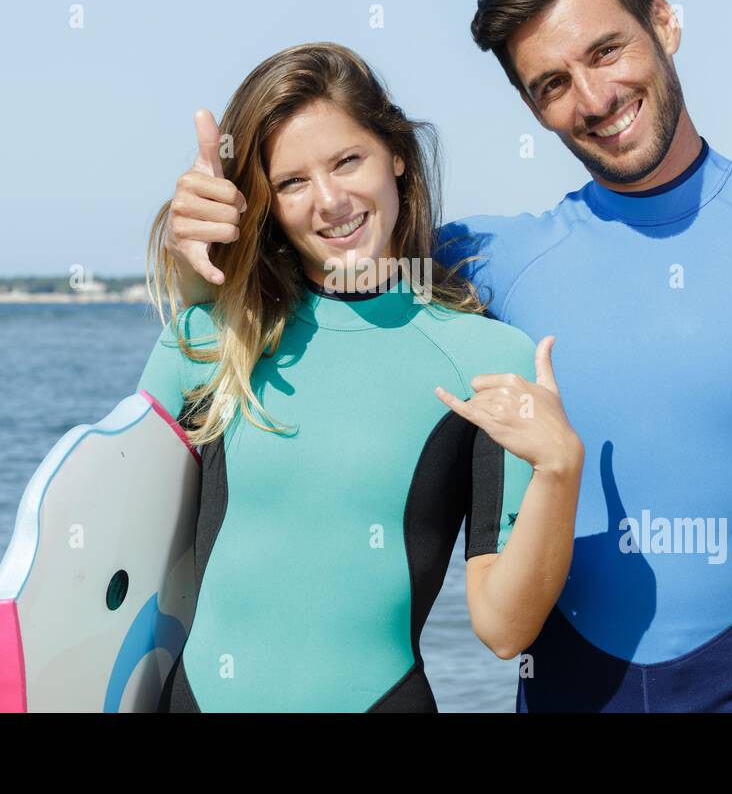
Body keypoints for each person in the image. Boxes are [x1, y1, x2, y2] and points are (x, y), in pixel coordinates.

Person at [161, 0, 732, 713]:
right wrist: (205, 232)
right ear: (532, 107)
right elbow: (318, 288)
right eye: (552, 85)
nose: (596, 97)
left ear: (665, 23)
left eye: (607, 51)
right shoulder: (480, 267)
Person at [136, 41, 583, 712]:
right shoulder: (210, 342)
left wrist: (560, 471)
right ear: (266, 203)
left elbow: (503, 627)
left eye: (349, 161)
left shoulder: (488, 358)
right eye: (291, 183)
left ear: (396, 155)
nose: (329, 201)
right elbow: (123, 556)